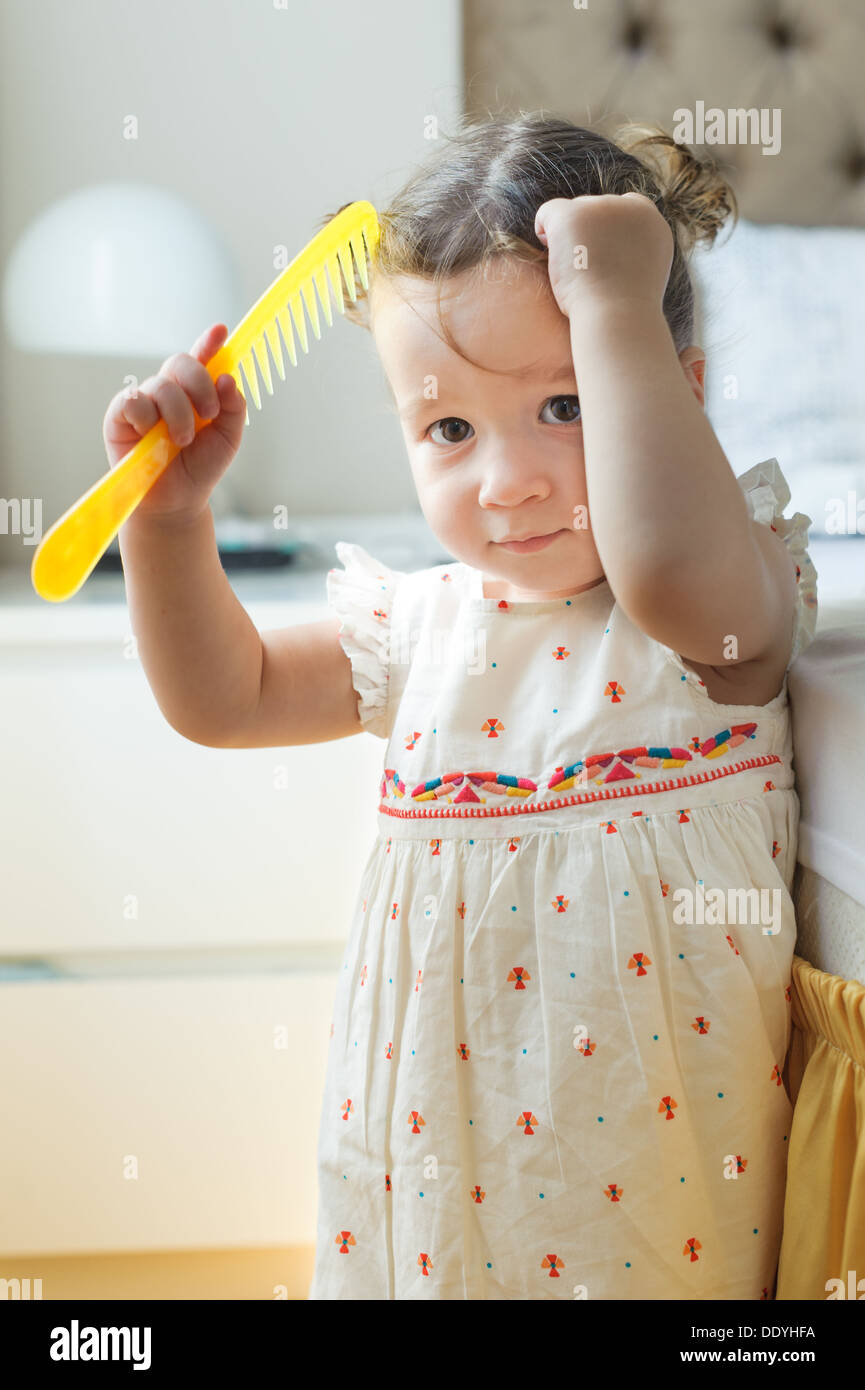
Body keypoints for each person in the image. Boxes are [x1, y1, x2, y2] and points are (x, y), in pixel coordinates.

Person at [103, 112, 818, 1301]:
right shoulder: (420, 629)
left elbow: (666, 567)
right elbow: (221, 700)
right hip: (431, 1189)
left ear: (676, 391)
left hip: (650, 1210)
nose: (507, 481)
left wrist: (614, 311)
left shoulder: (714, 603)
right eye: (447, 428)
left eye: (566, 405)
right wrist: (171, 524)